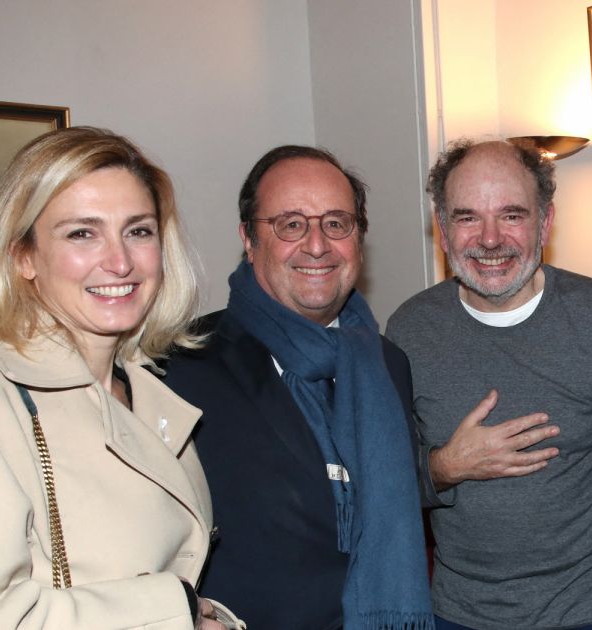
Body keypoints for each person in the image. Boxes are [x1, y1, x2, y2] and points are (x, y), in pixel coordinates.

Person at [0, 126, 242, 629]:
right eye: (82, 233)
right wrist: (177, 611)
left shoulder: (144, 389)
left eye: (138, 230)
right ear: (22, 256)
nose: (119, 261)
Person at [161, 145, 432, 630]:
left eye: (336, 223)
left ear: (359, 238)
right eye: (290, 223)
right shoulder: (181, 366)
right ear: (248, 238)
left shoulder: (389, 364)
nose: (316, 244)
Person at [385, 139, 592, 630]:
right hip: (457, 614)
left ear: (545, 223)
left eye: (511, 215)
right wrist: (446, 466)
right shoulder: (409, 331)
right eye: (467, 217)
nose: (489, 239)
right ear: (442, 231)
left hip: (590, 614)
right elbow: (385, 485)